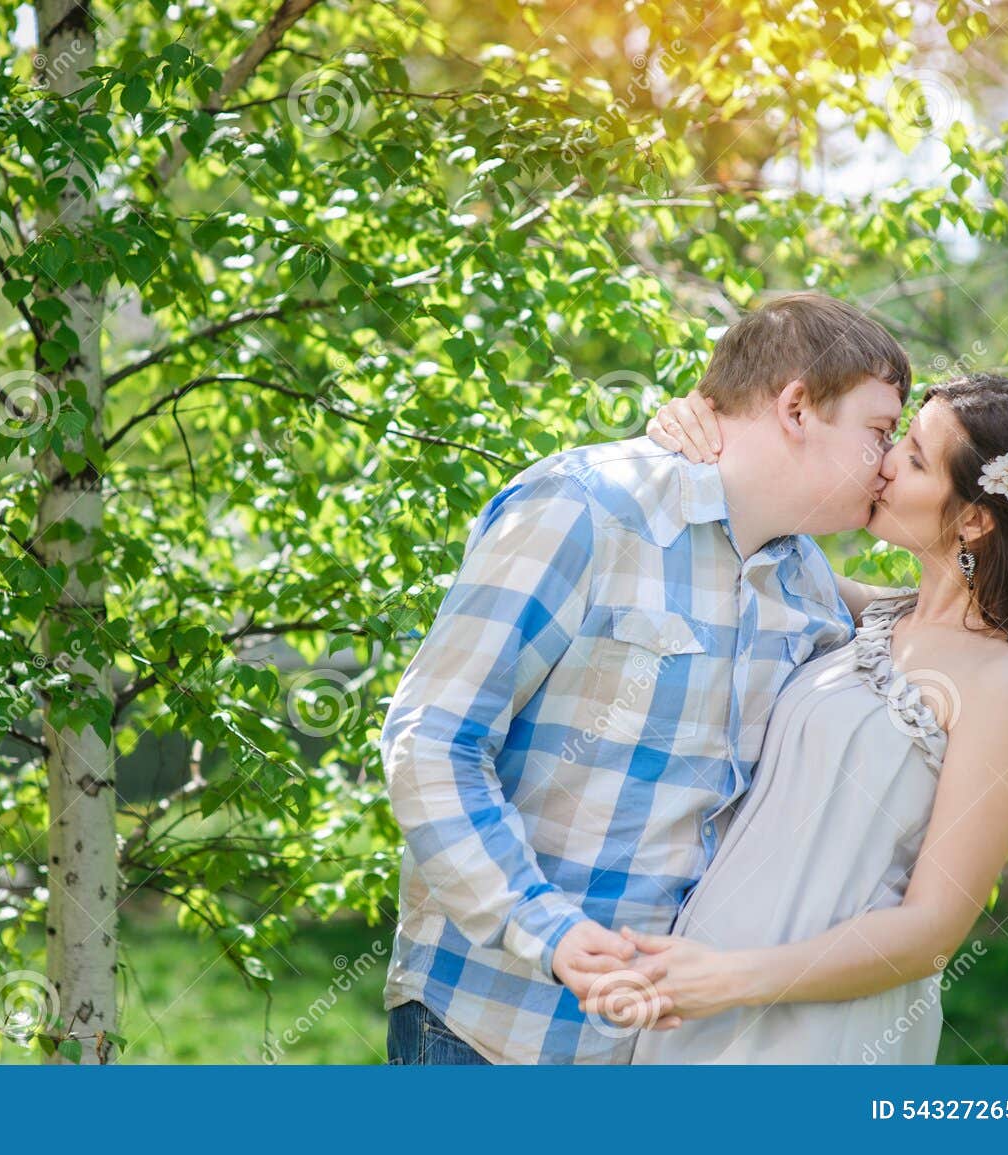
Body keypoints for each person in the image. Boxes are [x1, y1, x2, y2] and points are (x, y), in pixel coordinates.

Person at [379, 292, 912, 1063]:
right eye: (880, 432)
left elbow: (946, 623)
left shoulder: (806, 584)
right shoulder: (586, 508)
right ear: (797, 407)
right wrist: (542, 926)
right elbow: (432, 741)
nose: (889, 462)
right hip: (491, 1028)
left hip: (666, 1050)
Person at [618, 373, 1008, 1063]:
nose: (882, 463)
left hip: (813, 1026)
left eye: (913, 458)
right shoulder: (866, 612)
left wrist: (734, 979)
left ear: (975, 518)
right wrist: (697, 429)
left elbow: (932, 930)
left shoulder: (1007, 683)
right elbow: (739, 533)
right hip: (693, 991)